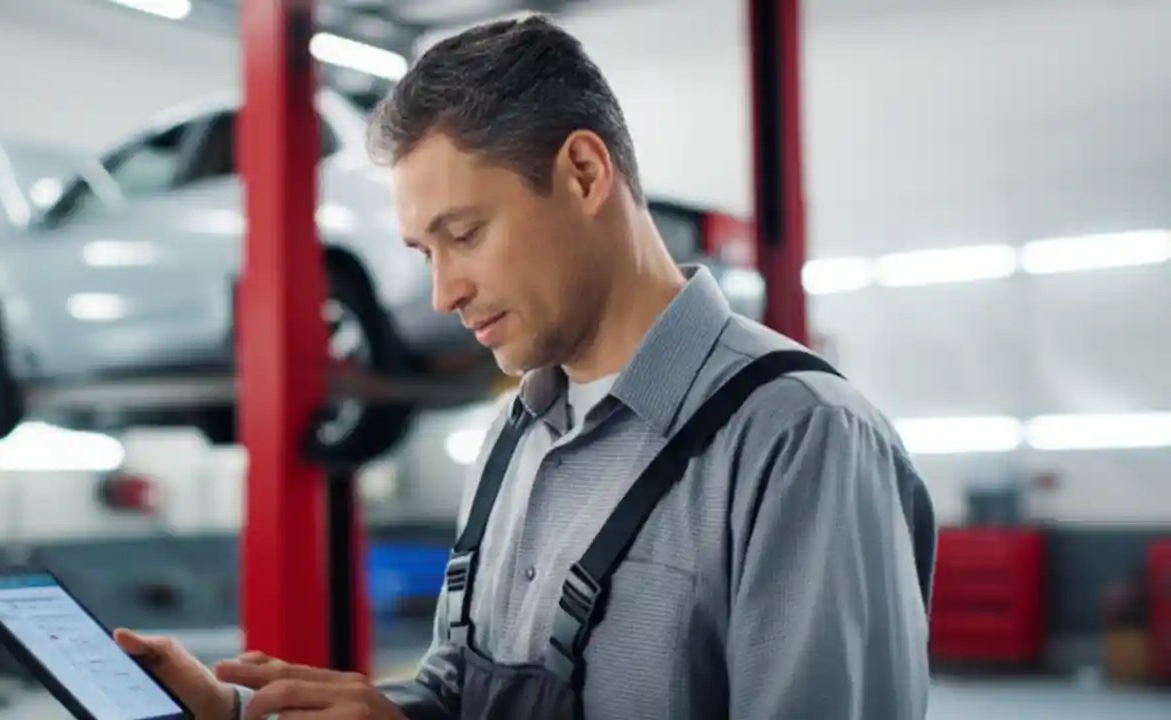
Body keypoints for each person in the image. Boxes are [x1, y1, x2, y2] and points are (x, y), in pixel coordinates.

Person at [116, 14, 936, 720]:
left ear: (584, 173)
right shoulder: (517, 439)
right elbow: (459, 693)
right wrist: (245, 709)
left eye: (465, 234)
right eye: (423, 251)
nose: (443, 292)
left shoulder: (799, 440)